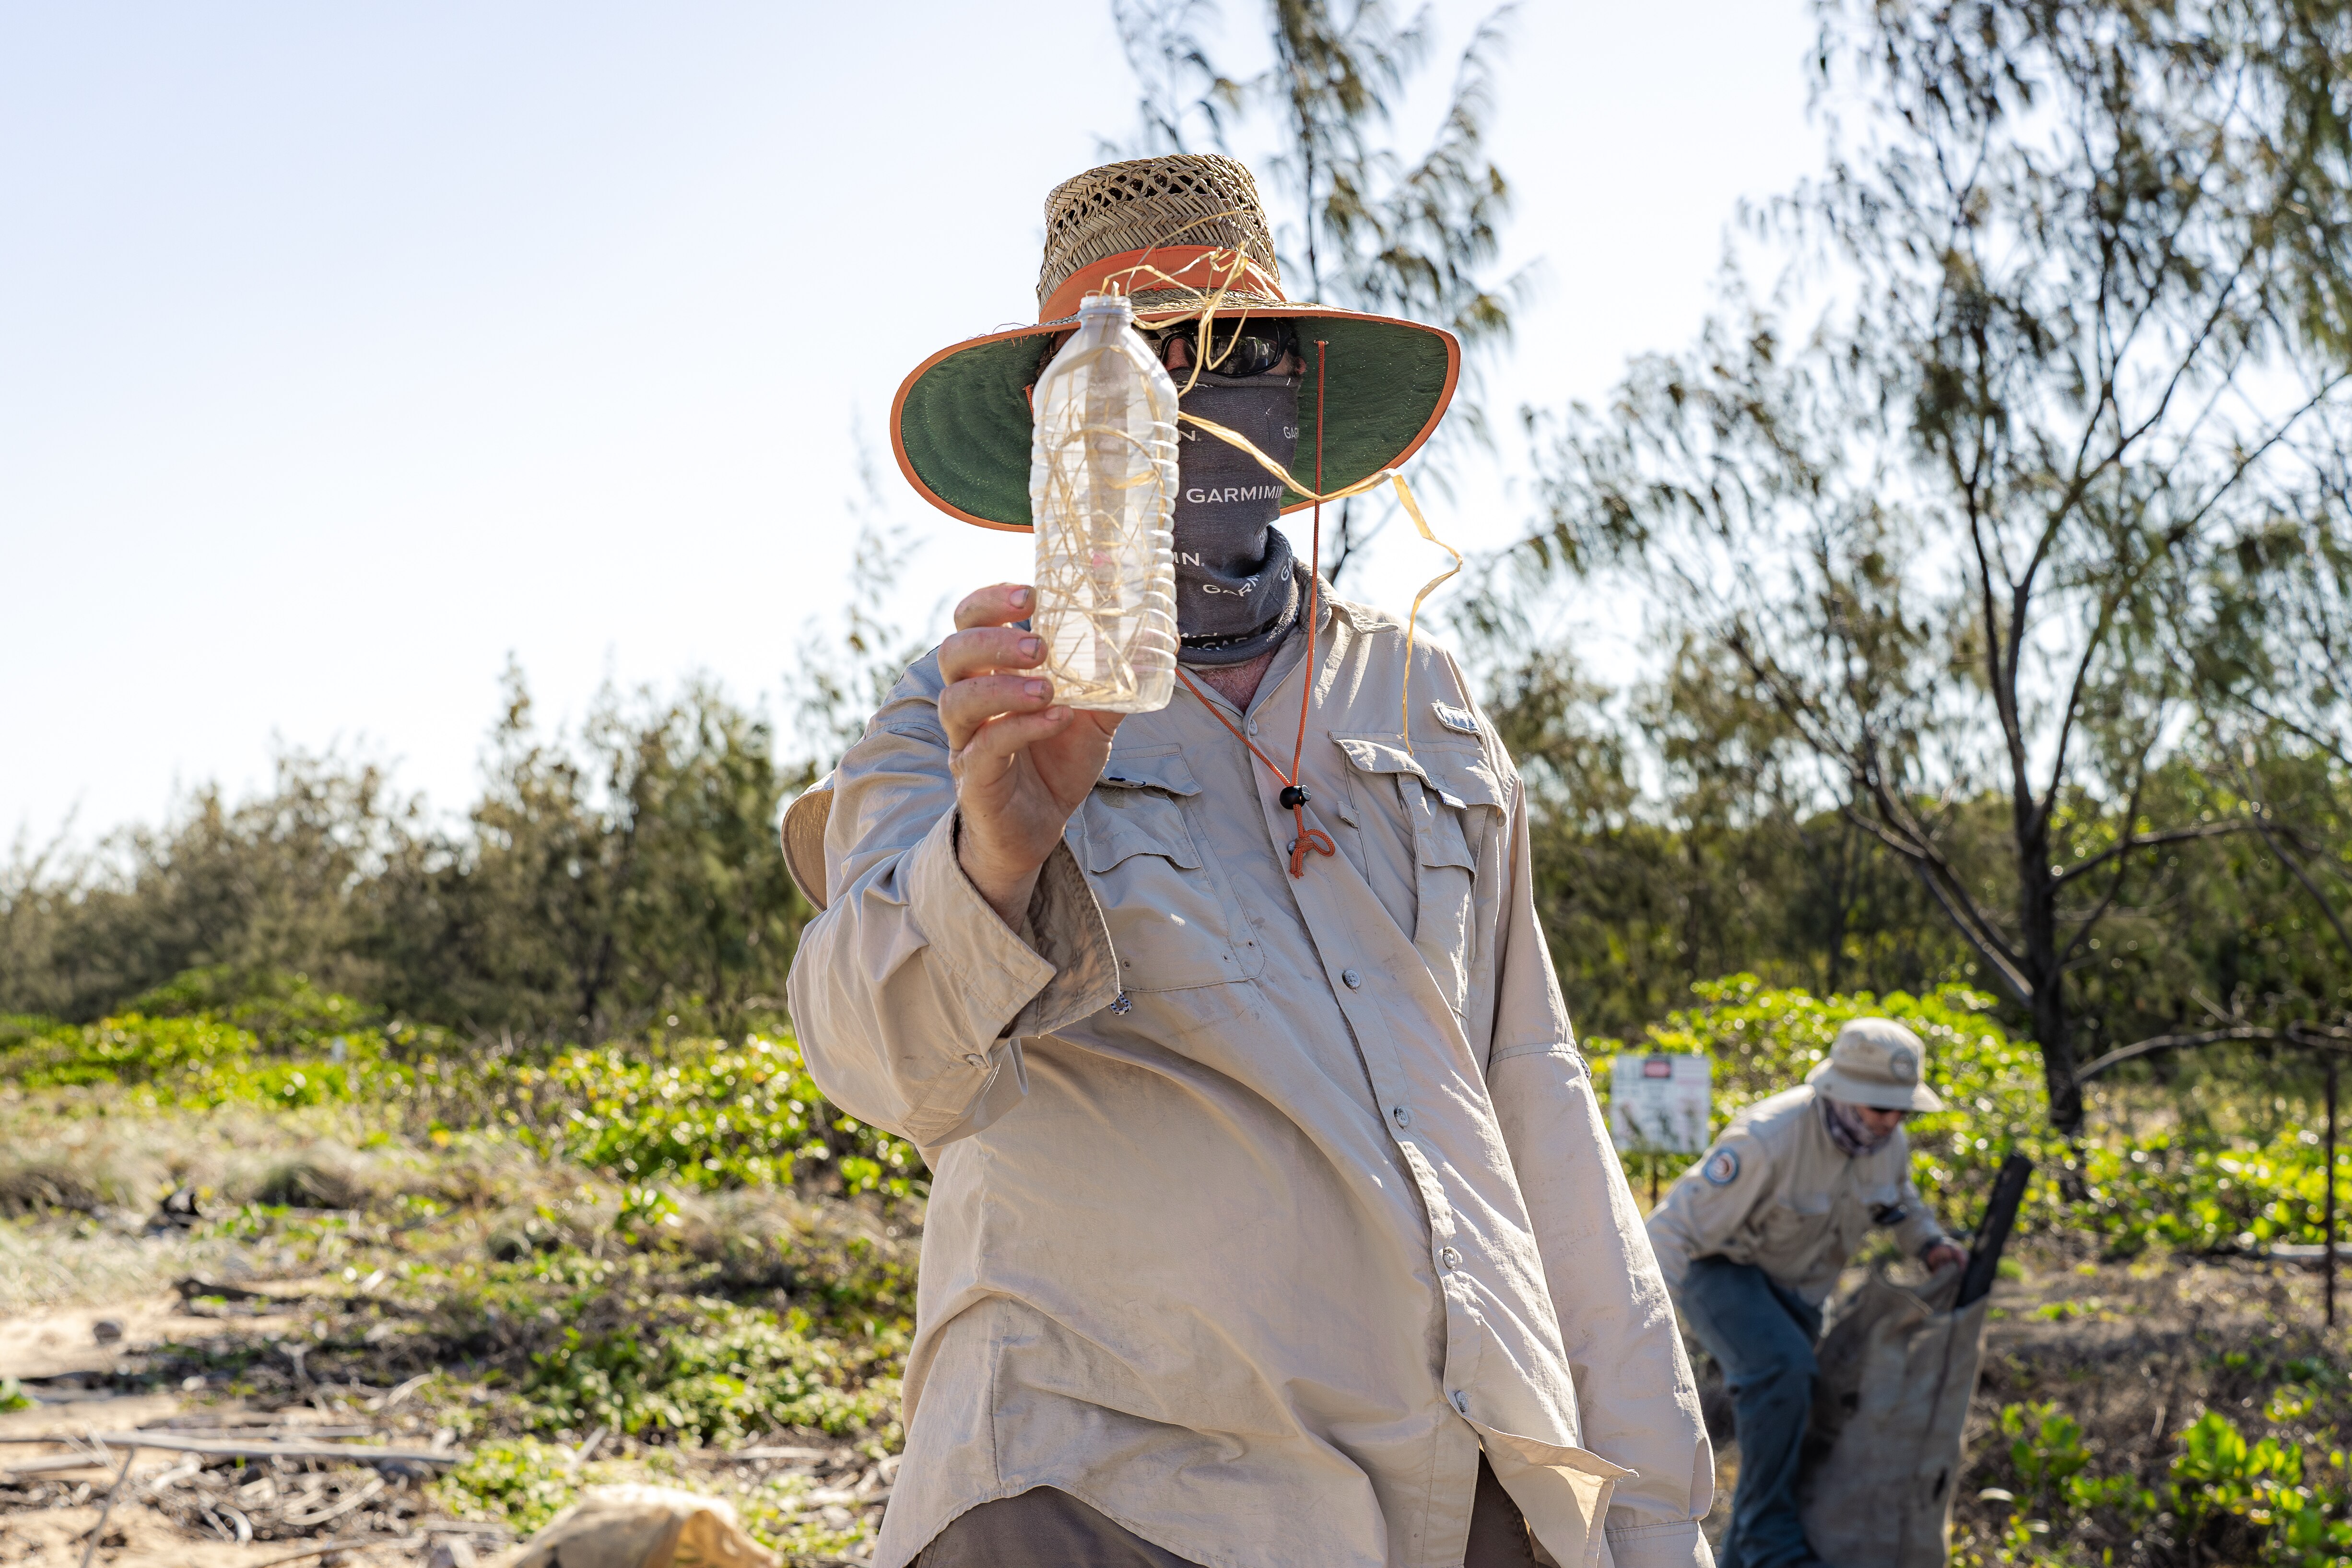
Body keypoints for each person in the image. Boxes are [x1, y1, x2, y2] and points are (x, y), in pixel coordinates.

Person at [782, 155, 1715, 1568]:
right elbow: (881, 1055)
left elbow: (1533, 1094)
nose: (1182, 401)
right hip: (1100, 1493)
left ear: (1295, 405)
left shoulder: (1418, 695)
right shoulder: (961, 712)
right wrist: (994, 850)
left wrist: (1649, 1512)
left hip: (1465, 1485)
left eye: (1235, 357)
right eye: (1139, 365)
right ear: (1060, 431)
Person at [1644, 1018, 1968, 1568]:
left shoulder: (1885, 1143)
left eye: (1900, 1110)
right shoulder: (1769, 1137)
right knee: (1783, 1370)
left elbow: (1901, 1201)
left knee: (1793, 1409)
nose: (1892, 1121)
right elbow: (1672, 1227)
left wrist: (1931, 1243)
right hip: (1723, 1272)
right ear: (1841, 1092)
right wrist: (1643, 1326)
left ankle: (1742, 1556)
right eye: (1879, 1108)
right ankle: (1773, 1546)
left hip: (1799, 1295)